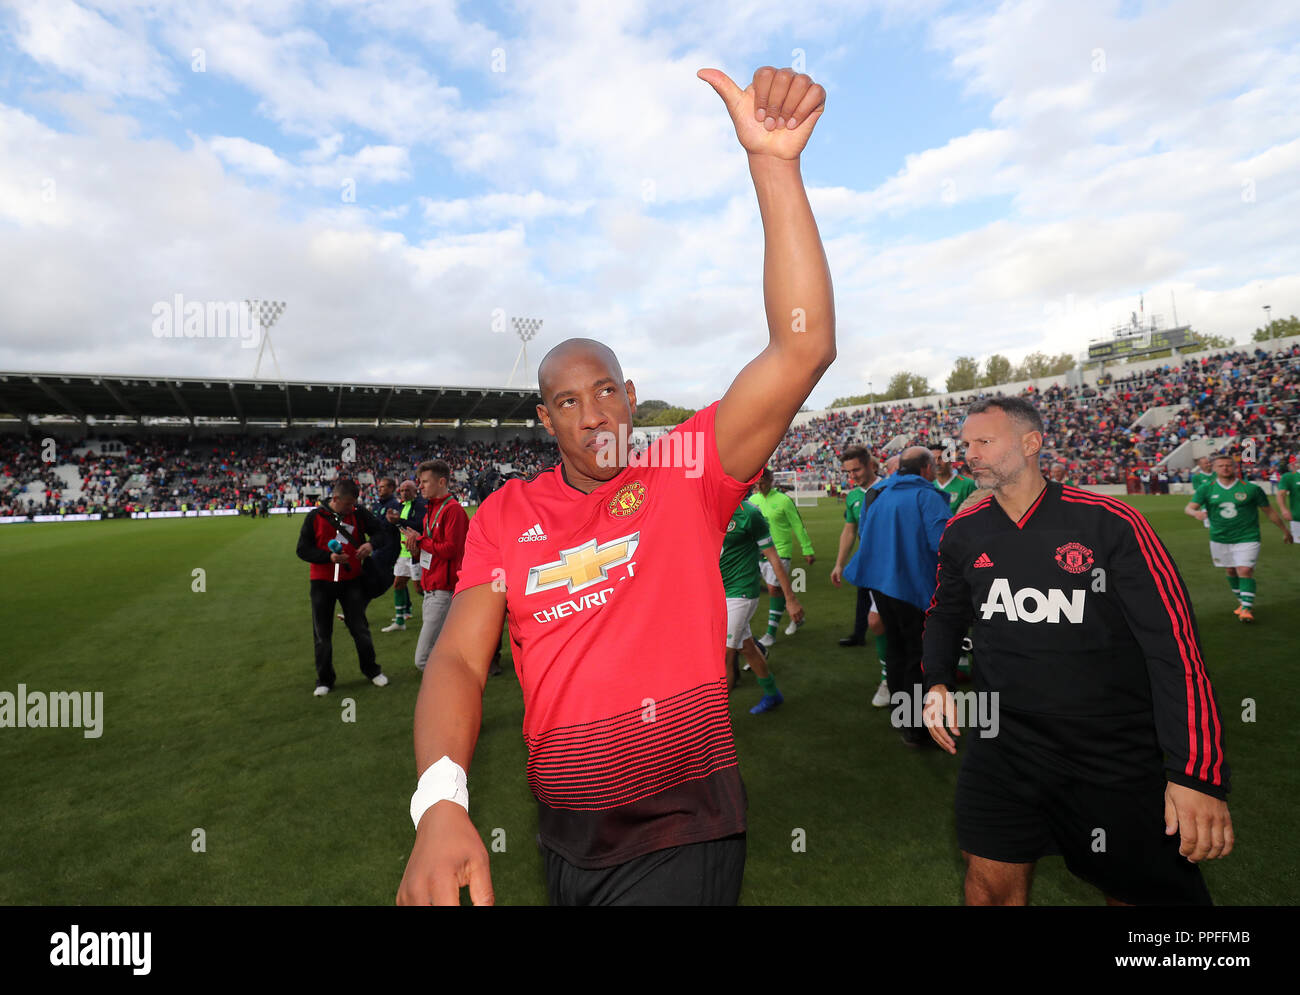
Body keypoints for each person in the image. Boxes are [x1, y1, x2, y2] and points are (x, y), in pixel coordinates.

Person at [397, 63, 833, 907]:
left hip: (680, 817)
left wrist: (773, 167)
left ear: (632, 399)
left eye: (607, 390)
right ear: (545, 418)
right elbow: (455, 654)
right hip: (564, 829)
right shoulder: (505, 515)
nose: (593, 412)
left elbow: (801, 349)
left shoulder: (685, 471)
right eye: (569, 399)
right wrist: (439, 799)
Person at [922, 396, 1231, 906]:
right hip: (1002, 748)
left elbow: (1175, 651)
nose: (969, 454)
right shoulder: (964, 532)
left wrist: (1195, 773)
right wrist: (936, 681)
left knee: (1142, 897)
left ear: (1030, 444)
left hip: (1108, 754)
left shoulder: (1111, 524)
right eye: (966, 444)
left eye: (984, 442)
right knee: (988, 886)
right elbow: (944, 614)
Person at [844, 446, 950, 745]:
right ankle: (916, 729)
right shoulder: (927, 496)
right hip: (914, 588)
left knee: (896, 649)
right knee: (918, 655)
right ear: (927, 469)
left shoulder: (877, 495)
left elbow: (865, 534)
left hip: (882, 585)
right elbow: (944, 545)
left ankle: (900, 713)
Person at [295, 478, 390, 696]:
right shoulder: (315, 517)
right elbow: (302, 549)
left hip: (352, 581)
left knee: (360, 629)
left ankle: (372, 670)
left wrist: (370, 544)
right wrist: (328, 557)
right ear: (335, 498)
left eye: (354, 504)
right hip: (321, 582)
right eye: (348, 504)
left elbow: (381, 533)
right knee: (322, 633)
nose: (351, 508)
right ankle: (324, 680)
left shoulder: (358, 513)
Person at [1184, 453, 1292, 622]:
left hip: (1248, 536)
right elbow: (1189, 508)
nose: (1225, 468)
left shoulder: (1251, 488)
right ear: (1214, 468)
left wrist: (1285, 530)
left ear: (1234, 467)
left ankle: (1247, 608)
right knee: (1230, 570)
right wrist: (1195, 513)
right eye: (1221, 466)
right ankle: (1242, 602)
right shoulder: (1206, 488)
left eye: (1228, 465)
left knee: (1245, 570)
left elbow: (1269, 511)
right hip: (1220, 537)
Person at [721, 494, 802, 714]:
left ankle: (714, 721)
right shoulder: (703, 512)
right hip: (719, 592)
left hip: (742, 592)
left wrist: (791, 599)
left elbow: (773, 557)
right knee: (747, 647)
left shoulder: (749, 514)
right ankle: (772, 693)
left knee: (725, 656)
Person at [831, 446, 890, 708]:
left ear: (871, 465)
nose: (852, 475)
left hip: (895, 565)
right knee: (876, 621)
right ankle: (890, 678)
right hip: (870, 566)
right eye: (848, 471)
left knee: (891, 622)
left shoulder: (891, 489)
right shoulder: (853, 496)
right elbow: (849, 530)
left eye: (856, 469)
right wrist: (839, 564)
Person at [403, 460, 469, 673]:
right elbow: (432, 549)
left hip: (444, 589)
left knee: (423, 659)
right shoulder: (432, 509)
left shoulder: (453, 511)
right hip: (431, 587)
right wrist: (415, 546)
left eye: (424, 482)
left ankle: (448, 695)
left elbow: (451, 549)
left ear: (441, 482)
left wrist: (421, 541)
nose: (420, 486)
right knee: (442, 650)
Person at [748, 466, 815, 646]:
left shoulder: (784, 500)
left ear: (771, 481)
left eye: (763, 483)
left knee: (773, 589)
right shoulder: (752, 500)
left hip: (780, 551)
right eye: (757, 484)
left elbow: (797, 525)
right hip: (759, 551)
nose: (760, 487)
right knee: (779, 590)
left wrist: (807, 548)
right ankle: (797, 616)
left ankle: (770, 633)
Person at [382, 479, 427, 633]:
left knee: (420, 588)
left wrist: (399, 520)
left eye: (407, 490)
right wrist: (391, 521)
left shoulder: (420, 505)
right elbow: (398, 527)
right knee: (398, 584)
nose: (404, 493)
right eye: (401, 490)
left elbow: (419, 526)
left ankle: (444, 610)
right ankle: (400, 620)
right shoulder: (400, 506)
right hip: (403, 552)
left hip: (417, 552)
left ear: (415, 491)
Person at [932, 443, 978, 509]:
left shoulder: (968, 484)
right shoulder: (929, 486)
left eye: (941, 458)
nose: (937, 463)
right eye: (933, 459)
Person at [1278, 456, 1300, 543]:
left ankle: (1289, 533)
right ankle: (1290, 533)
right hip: (1298, 517)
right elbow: (1281, 494)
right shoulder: (1289, 477)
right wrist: (1284, 510)